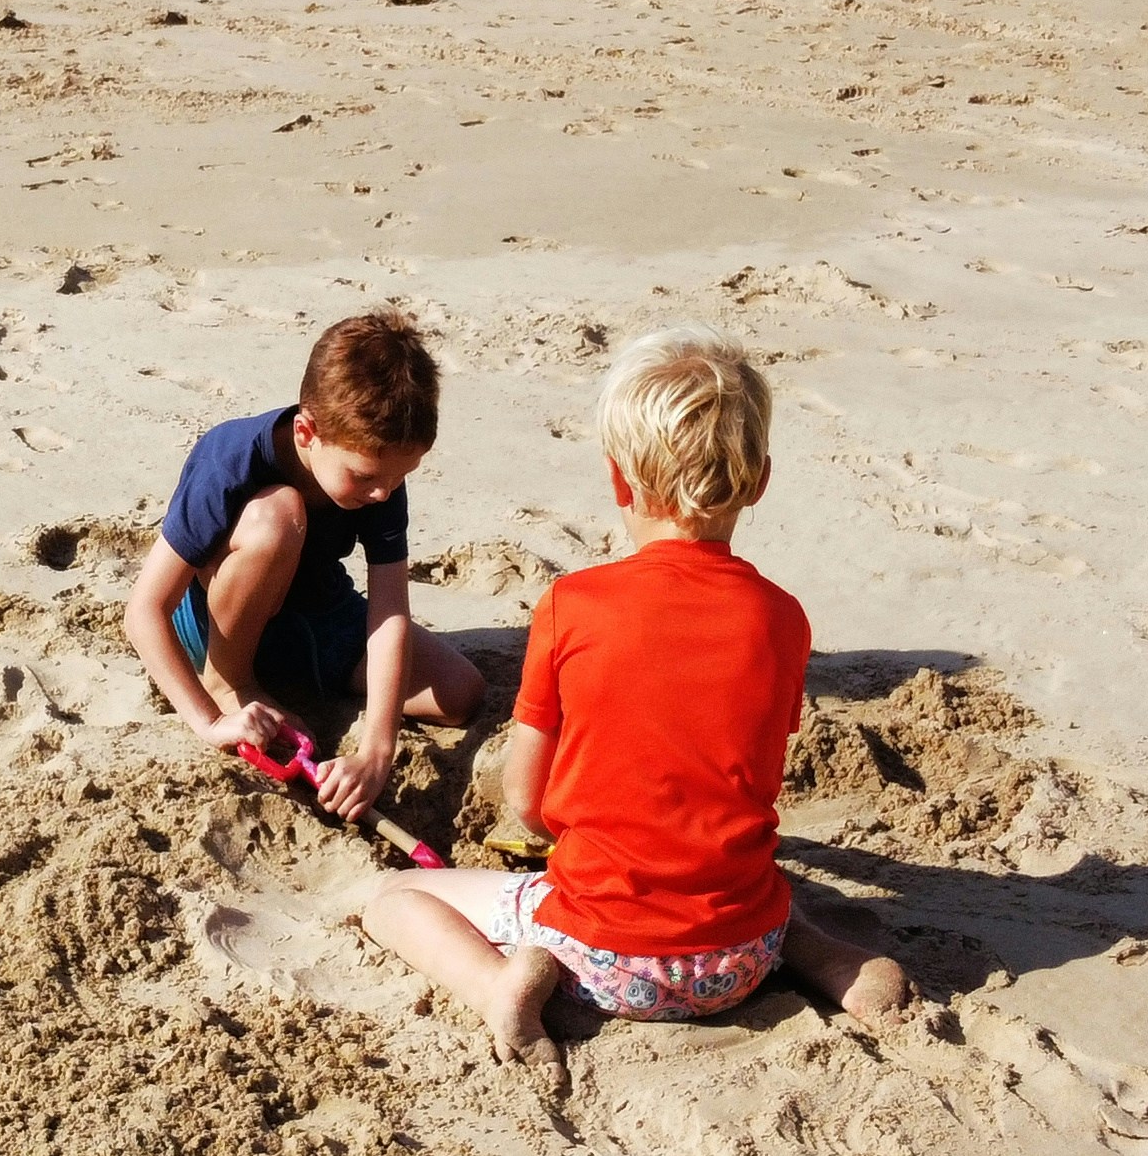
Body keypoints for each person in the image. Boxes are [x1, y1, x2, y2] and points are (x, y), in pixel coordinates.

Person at [362, 328, 908, 1075]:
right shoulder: (783, 619)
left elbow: (528, 802)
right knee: (760, 882)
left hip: (602, 960)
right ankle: (824, 961)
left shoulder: (573, 604)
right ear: (759, 481)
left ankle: (500, 988)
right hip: (739, 959)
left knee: (396, 899)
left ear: (620, 482)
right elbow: (752, 779)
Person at [123, 312, 481, 819]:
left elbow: (389, 613)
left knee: (459, 693)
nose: (383, 492)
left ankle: (283, 673)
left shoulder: (382, 476)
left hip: (312, 611)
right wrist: (206, 722)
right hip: (217, 620)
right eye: (366, 477)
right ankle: (231, 681)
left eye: (400, 477)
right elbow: (144, 611)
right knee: (278, 514)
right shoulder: (230, 459)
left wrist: (377, 752)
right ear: (307, 432)